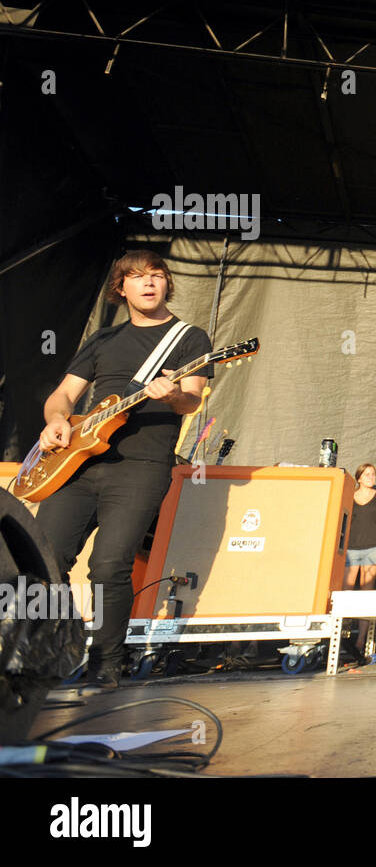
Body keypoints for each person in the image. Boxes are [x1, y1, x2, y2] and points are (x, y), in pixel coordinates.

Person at [37, 250, 213, 691]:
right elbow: (62, 395)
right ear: (122, 288)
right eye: (137, 277)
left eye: (156, 276)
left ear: (166, 284)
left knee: (110, 564)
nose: (149, 283)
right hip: (78, 463)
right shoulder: (103, 340)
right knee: (42, 559)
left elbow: (192, 399)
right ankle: (53, 648)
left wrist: (170, 396)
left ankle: (106, 664)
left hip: (141, 466)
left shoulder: (189, 338)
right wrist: (57, 420)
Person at [341, 463, 376, 658]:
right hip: (351, 549)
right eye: (367, 474)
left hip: (373, 548)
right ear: (359, 478)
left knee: (366, 593)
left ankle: (361, 640)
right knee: (346, 592)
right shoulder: (349, 497)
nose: (371, 477)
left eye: (373, 474)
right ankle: (342, 637)